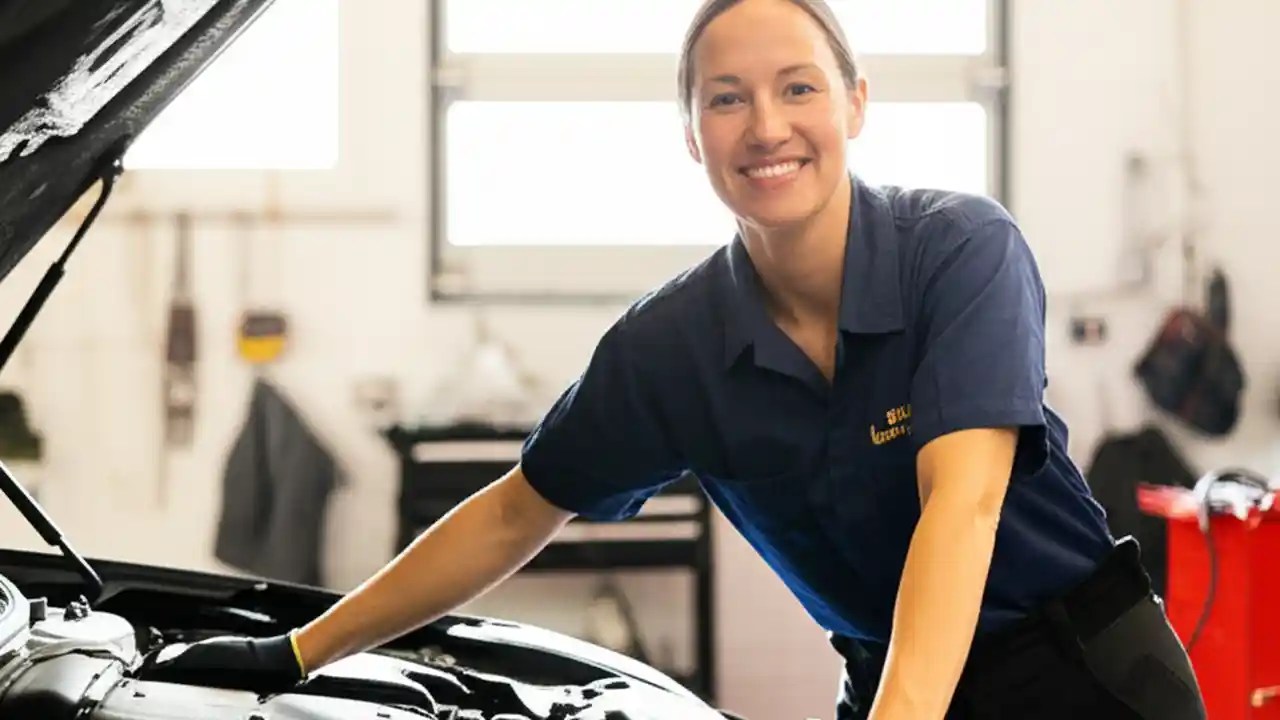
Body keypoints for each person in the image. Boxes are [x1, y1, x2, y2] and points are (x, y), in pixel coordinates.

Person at [151, 1, 1208, 718]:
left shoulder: (959, 252)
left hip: (1083, 674)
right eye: (724, 97)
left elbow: (960, 510)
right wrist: (296, 651)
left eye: (797, 88)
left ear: (853, 104)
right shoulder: (671, 348)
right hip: (892, 683)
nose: (765, 126)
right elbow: (517, 509)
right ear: (689, 136)